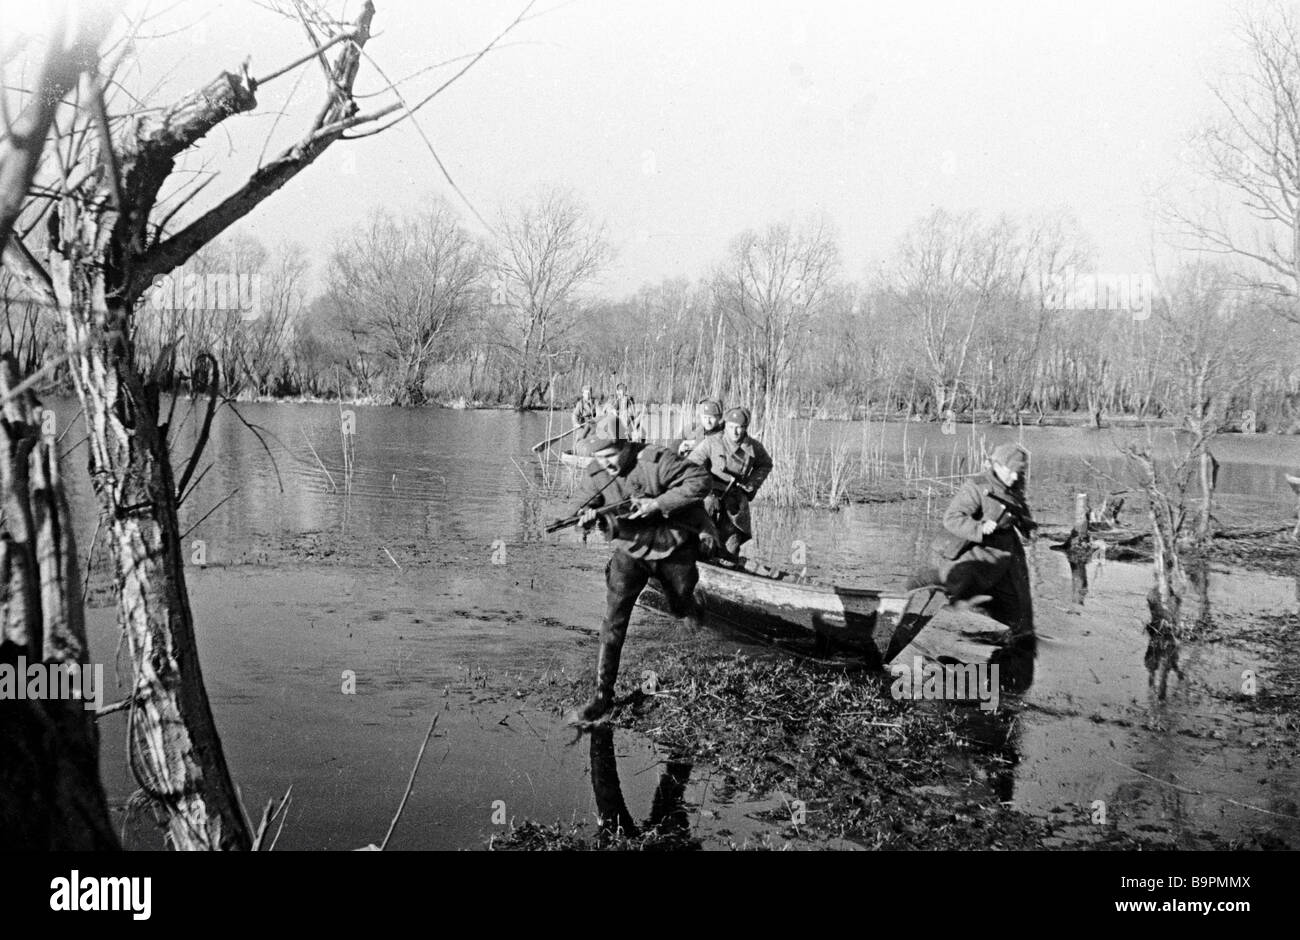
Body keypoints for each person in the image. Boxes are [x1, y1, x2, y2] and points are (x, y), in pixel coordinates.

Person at [568, 436, 719, 724]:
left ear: (625, 447)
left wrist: (657, 503)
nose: (605, 463)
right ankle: (603, 697)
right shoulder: (597, 472)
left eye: (611, 455)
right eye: (599, 457)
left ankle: (692, 606)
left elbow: (701, 481)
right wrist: (581, 519)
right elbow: (576, 506)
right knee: (613, 619)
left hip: (671, 545)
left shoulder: (655, 460)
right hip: (631, 548)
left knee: (680, 605)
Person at [908, 442, 1037, 638]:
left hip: (1008, 555)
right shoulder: (977, 486)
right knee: (960, 597)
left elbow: (1019, 511)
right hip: (977, 552)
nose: (1015, 477)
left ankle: (1010, 641)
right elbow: (951, 518)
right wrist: (979, 528)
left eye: (1018, 473)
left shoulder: (1014, 485)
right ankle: (934, 634)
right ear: (998, 466)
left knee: (1017, 607)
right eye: (1010, 472)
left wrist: (1027, 526)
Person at [687, 406, 773, 559]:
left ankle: (729, 566)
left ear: (745, 428)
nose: (734, 432)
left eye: (739, 428)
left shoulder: (754, 447)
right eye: (731, 427)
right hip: (710, 499)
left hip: (734, 502)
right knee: (703, 539)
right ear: (725, 425)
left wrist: (752, 484)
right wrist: (705, 486)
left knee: (731, 547)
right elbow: (691, 464)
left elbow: (766, 464)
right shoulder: (712, 442)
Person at [571, 385, 599, 455]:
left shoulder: (595, 402)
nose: (588, 395)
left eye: (589, 393)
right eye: (586, 393)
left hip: (592, 426)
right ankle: (575, 452)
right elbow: (574, 415)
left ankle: (594, 453)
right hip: (582, 426)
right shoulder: (580, 404)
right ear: (583, 394)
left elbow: (600, 410)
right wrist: (576, 423)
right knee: (580, 438)